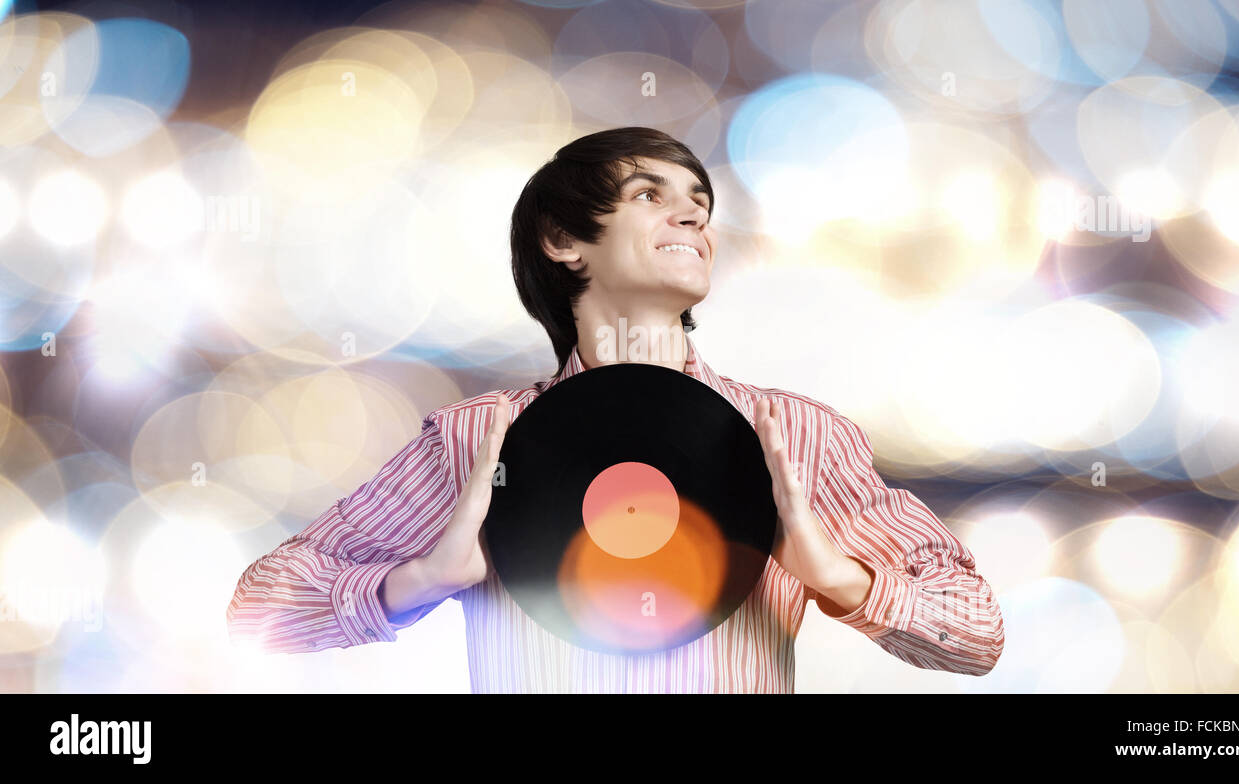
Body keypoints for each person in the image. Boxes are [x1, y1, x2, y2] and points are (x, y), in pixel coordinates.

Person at [226, 126, 1005, 692]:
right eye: (650, 196)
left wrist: (843, 579)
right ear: (563, 239)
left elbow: (977, 634)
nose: (693, 216)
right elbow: (258, 608)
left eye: (700, 203)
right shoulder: (478, 437)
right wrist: (419, 581)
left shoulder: (795, 435)